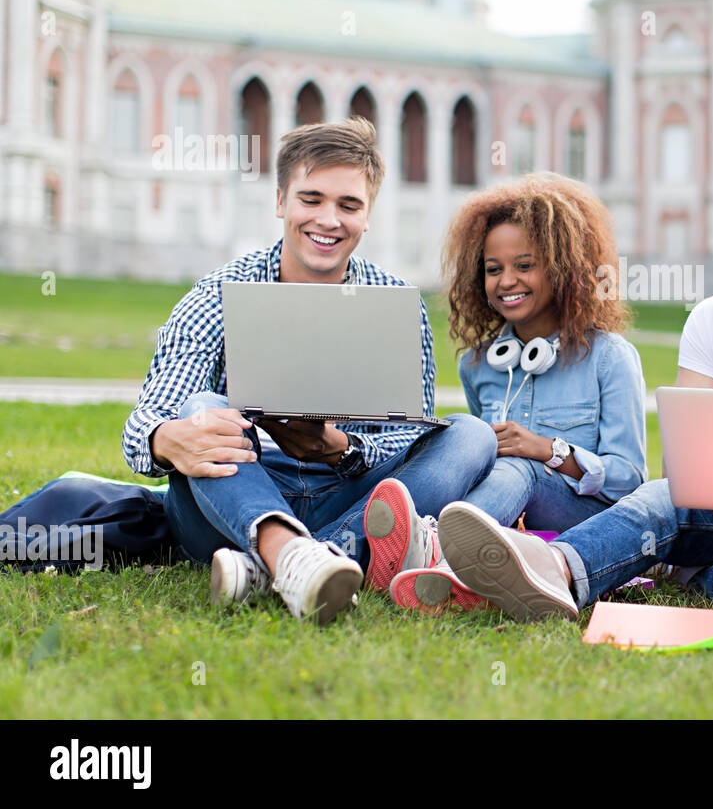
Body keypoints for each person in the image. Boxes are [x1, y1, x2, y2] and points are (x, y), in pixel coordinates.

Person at [428, 177, 713, 621]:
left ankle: (699, 579)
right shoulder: (712, 320)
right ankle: (554, 570)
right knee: (658, 497)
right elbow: (685, 472)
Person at [120, 118, 496, 624]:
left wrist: (340, 449)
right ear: (280, 202)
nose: (329, 219)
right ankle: (294, 551)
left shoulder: (395, 304)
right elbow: (146, 422)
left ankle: (275, 563)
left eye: (349, 205)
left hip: (348, 492)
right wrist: (168, 438)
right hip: (234, 496)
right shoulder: (219, 292)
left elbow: (403, 438)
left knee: (472, 435)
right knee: (202, 409)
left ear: (368, 217)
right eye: (311, 199)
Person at [389, 172, 647, 614]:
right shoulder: (478, 364)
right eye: (494, 270)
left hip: (586, 523)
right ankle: (431, 552)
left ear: (564, 268)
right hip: (508, 520)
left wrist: (550, 451)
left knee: (521, 469)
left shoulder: (610, 358)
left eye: (524, 265)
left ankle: (438, 559)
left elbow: (630, 481)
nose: (507, 280)